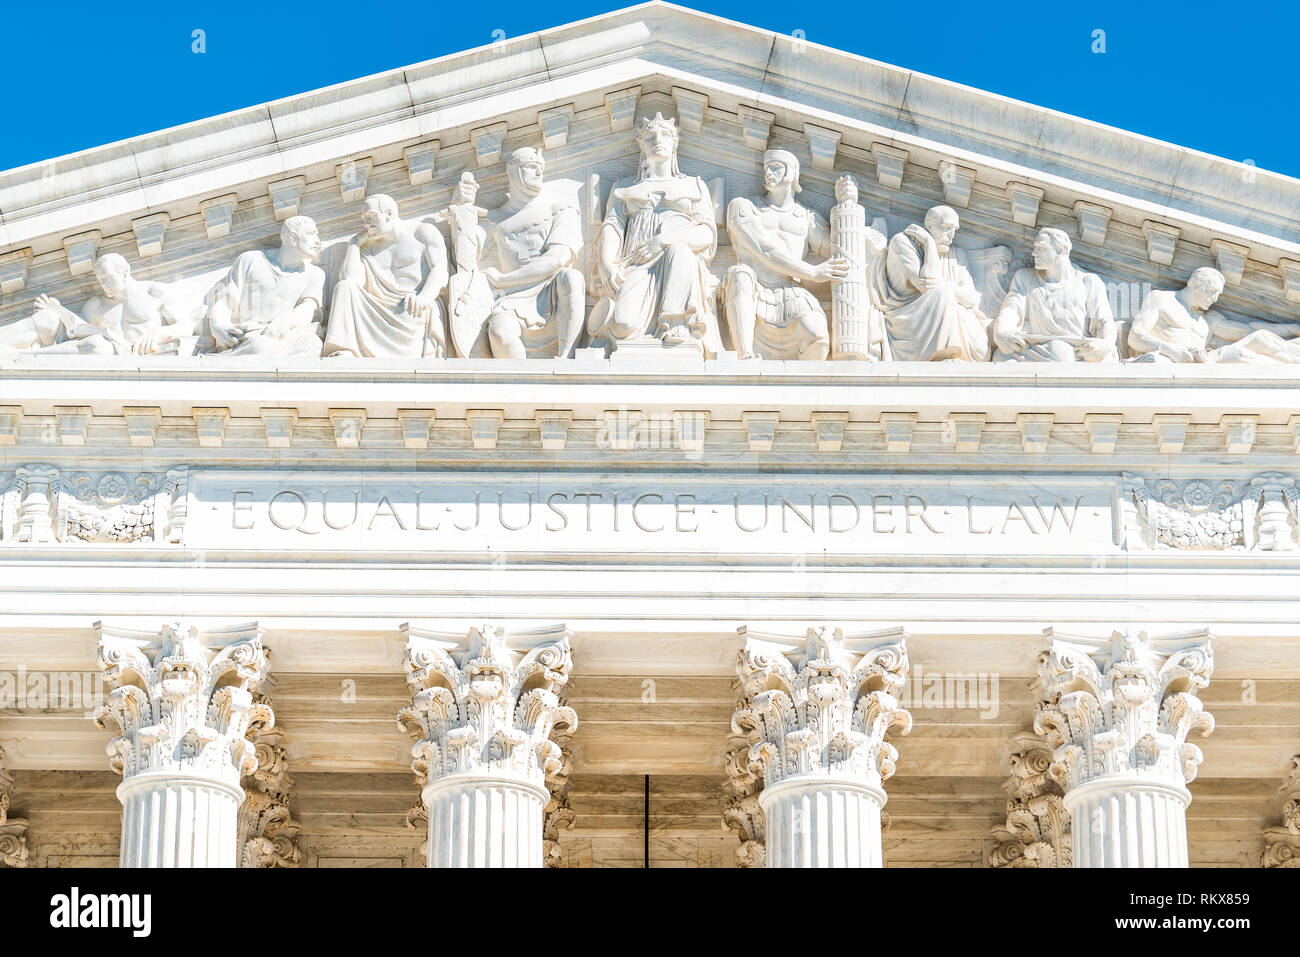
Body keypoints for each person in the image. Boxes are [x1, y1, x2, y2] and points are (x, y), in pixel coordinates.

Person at [589, 113, 723, 355]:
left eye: (665, 135)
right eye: (650, 137)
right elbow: (613, 226)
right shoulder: (624, 186)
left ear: (675, 143)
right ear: (641, 144)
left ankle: (676, 322)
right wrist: (605, 264)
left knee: (680, 251)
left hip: (680, 265)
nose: (658, 140)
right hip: (636, 263)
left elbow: (706, 234)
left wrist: (662, 241)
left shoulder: (694, 185)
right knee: (623, 325)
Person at [723, 149, 847, 360]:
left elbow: (837, 251)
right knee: (740, 275)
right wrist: (813, 272)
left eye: (776, 168)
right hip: (752, 288)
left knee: (817, 337)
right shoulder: (744, 207)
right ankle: (745, 356)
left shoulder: (806, 218)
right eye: (766, 168)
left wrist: (848, 204)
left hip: (790, 292)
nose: (768, 173)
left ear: (791, 173)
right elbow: (764, 249)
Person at [477, 148, 585, 359]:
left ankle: (566, 361)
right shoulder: (494, 220)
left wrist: (503, 280)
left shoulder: (560, 210)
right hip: (511, 298)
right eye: (531, 167)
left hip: (551, 291)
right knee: (500, 334)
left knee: (571, 277)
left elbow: (556, 260)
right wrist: (462, 214)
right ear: (513, 172)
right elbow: (468, 259)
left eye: (541, 168)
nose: (539, 174)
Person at [324, 194, 449, 358]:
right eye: (363, 219)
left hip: (411, 308)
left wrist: (424, 298)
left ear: (389, 213)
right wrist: (354, 244)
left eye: (371, 217)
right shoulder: (367, 247)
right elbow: (351, 279)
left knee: (408, 311)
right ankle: (344, 350)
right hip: (374, 310)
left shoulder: (422, 232)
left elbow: (440, 270)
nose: (365, 224)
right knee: (344, 287)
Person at [0, 253, 191, 355]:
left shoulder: (154, 292)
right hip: (97, 347)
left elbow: (190, 324)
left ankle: (25, 358)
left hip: (131, 355)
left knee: (97, 345)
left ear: (124, 273)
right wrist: (57, 309)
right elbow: (75, 330)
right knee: (48, 318)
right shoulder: (96, 304)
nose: (103, 285)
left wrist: (158, 333)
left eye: (108, 278)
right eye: (100, 281)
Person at [876, 205, 989, 361]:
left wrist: (946, 288)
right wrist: (929, 244)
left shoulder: (957, 255)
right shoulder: (902, 243)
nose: (951, 236)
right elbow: (927, 283)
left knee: (979, 344)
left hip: (943, 316)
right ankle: (944, 354)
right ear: (929, 225)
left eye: (954, 230)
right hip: (906, 320)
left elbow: (971, 299)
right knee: (942, 293)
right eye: (946, 228)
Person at [205, 215, 325, 356]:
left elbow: (308, 308)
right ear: (292, 238)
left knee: (313, 344)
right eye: (311, 234)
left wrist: (287, 321)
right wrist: (218, 326)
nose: (318, 241)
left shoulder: (314, 274)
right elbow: (226, 300)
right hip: (246, 337)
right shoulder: (251, 260)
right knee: (260, 346)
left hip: (283, 337)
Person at [993, 227, 1116, 362]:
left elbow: (1104, 322)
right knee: (1001, 356)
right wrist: (1001, 333)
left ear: (1060, 250)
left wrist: (1106, 344)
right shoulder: (1024, 277)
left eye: (1040, 247)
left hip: (1077, 351)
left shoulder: (1089, 282)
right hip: (1033, 349)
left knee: (1061, 353)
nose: (1034, 253)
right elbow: (1011, 309)